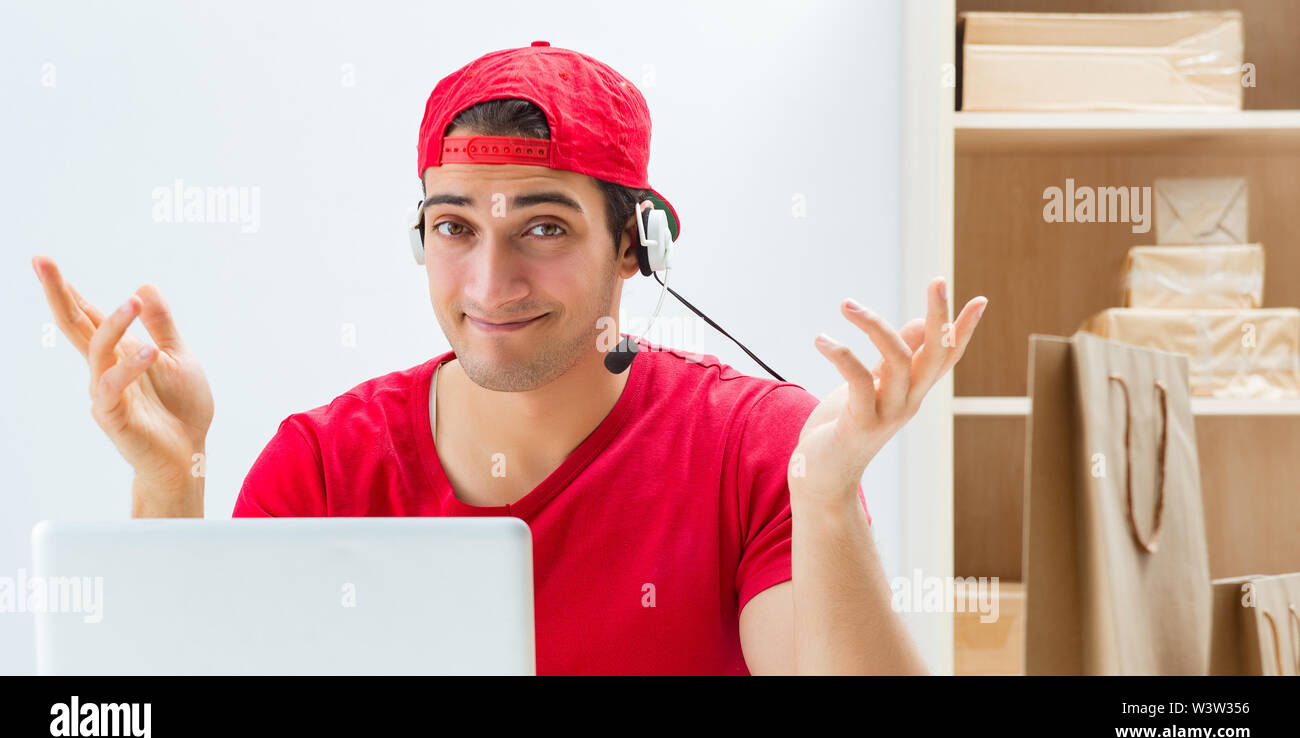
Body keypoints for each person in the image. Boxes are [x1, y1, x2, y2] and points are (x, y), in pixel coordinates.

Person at [32, 42, 987, 675]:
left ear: (632, 248)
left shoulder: (766, 452)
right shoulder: (323, 463)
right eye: (455, 226)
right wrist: (171, 483)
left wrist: (824, 501)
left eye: (542, 225)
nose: (491, 282)